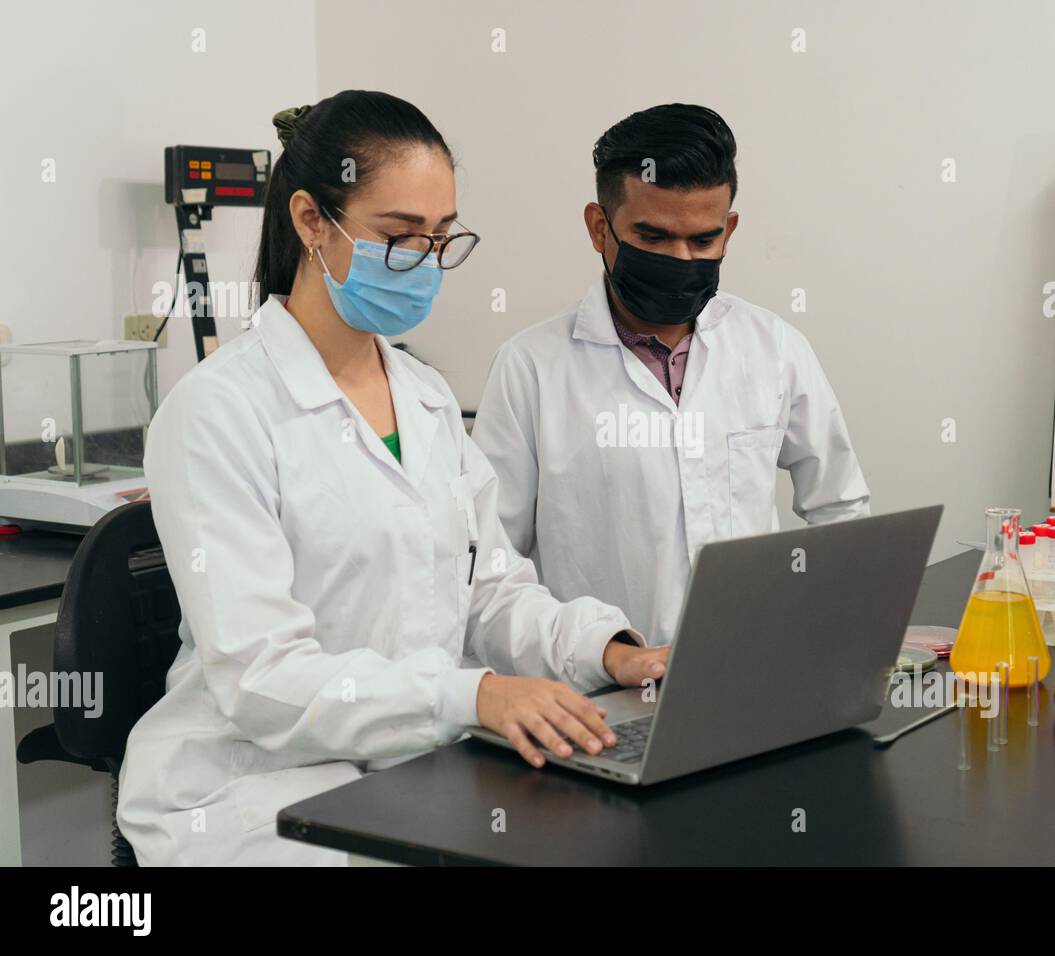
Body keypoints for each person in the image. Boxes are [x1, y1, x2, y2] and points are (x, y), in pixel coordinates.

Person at [117, 91, 666, 866]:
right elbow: (261, 679)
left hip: (411, 767)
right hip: (254, 789)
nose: (425, 263)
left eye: (442, 238)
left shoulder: (426, 397)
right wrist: (468, 695)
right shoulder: (217, 412)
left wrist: (607, 648)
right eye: (399, 237)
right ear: (311, 221)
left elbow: (490, 589)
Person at [472, 104, 871, 647]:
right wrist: (592, 651)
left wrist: (818, 631)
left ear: (729, 229)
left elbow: (841, 509)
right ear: (598, 227)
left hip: (752, 672)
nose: (681, 259)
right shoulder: (530, 369)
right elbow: (493, 568)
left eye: (703, 241)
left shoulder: (773, 347)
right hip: (596, 698)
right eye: (654, 238)